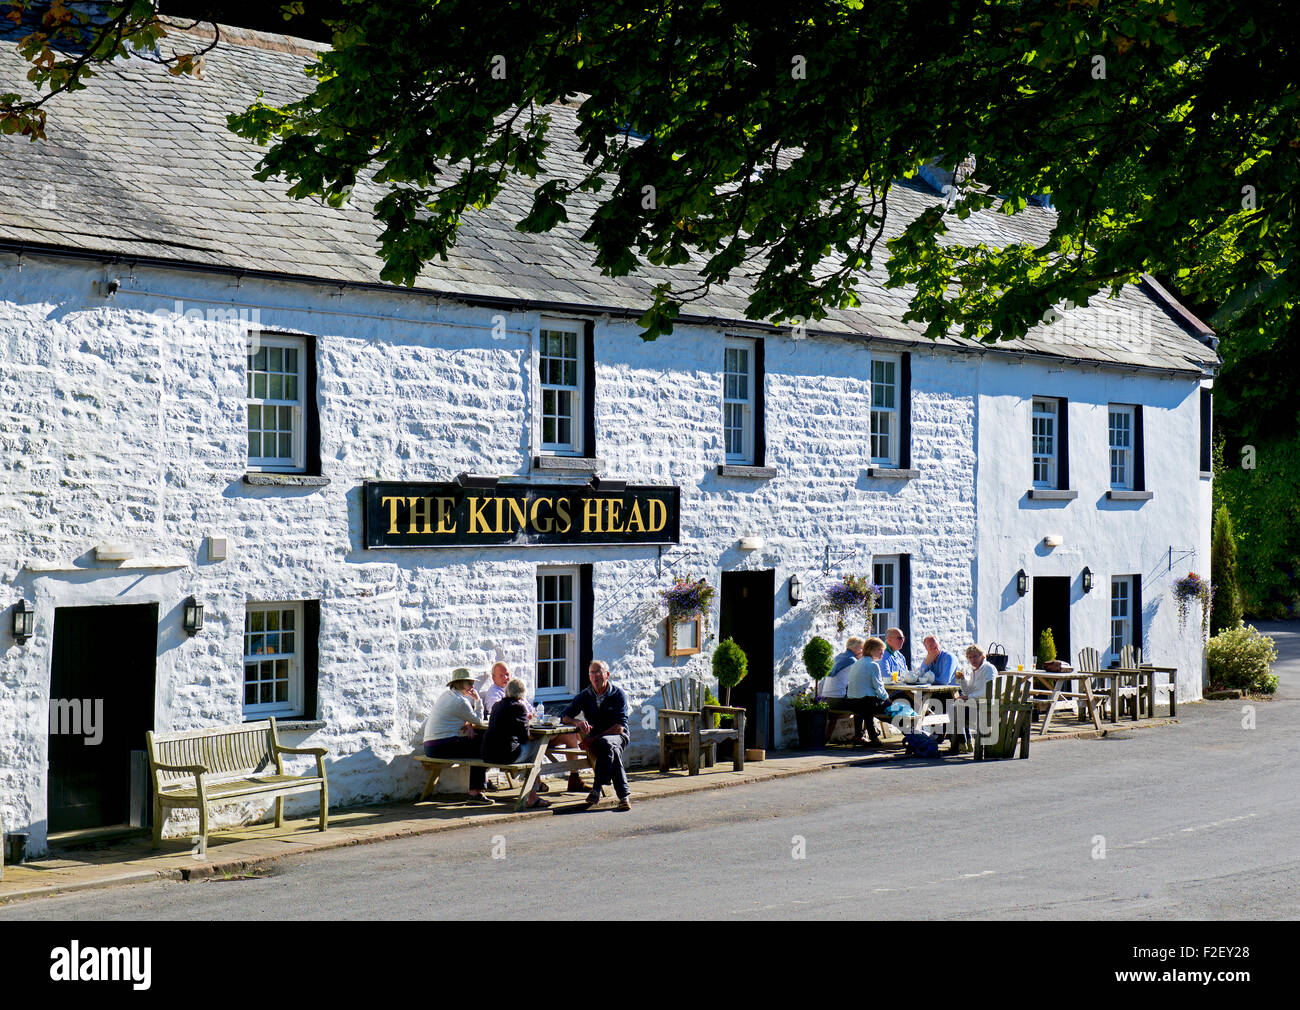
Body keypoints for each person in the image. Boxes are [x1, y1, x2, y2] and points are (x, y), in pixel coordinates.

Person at [561, 660, 632, 811]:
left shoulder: (618, 694)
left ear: (607, 675)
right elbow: (564, 716)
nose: (595, 676)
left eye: (598, 672)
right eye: (592, 673)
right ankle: (624, 797)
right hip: (600, 742)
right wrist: (577, 723)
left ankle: (597, 787)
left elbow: (619, 727)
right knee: (611, 750)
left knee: (607, 744)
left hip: (618, 737)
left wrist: (593, 738)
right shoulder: (586, 695)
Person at [472, 677, 548, 809]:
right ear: (522, 693)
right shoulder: (520, 707)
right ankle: (532, 797)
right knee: (538, 749)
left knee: (530, 750)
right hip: (507, 756)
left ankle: (531, 788)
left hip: (489, 754)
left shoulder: (496, 706)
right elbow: (525, 737)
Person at [422, 669, 491, 804]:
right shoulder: (461, 702)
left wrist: (469, 723)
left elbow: (457, 718)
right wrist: (478, 701)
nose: (472, 687)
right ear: (460, 683)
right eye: (469, 683)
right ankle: (475, 792)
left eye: (472, 683)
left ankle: (484, 783)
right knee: (482, 746)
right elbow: (479, 721)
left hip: (431, 746)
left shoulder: (447, 695)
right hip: (442, 746)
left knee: (479, 741)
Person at [840, 636, 891, 746]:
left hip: (852, 702)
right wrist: (887, 699)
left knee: (864, 706)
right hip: (865, 703)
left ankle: (858, 735)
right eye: (880, 650)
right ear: (871, 650)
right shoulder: (873, 665)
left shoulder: (856, 663)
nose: (882, 653)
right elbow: (879, 687)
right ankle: (873, 737)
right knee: (875, 705)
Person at [822, 636, 864, 743]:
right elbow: (858, 683)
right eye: (861, 648)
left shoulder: (839, 657)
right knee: (863, 707)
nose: (862, 651)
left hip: (826, 698)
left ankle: (826, 738)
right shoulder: (852, 661)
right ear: (854, 648)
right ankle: (859, 736)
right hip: (838, 700)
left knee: (836, 714)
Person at [957, 644, 1000, 744]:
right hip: (976, 703)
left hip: (986, 705)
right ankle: (965, 742)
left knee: (955, 710)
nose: (973, 659)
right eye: (970, 657)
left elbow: (988, 691)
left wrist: (968, 697)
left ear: (982, 656)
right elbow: (968, 691)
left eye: (975, 656)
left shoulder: (988, 668)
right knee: (954, 707)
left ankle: (964, 743)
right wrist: (962, 680)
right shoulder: (974, 670)